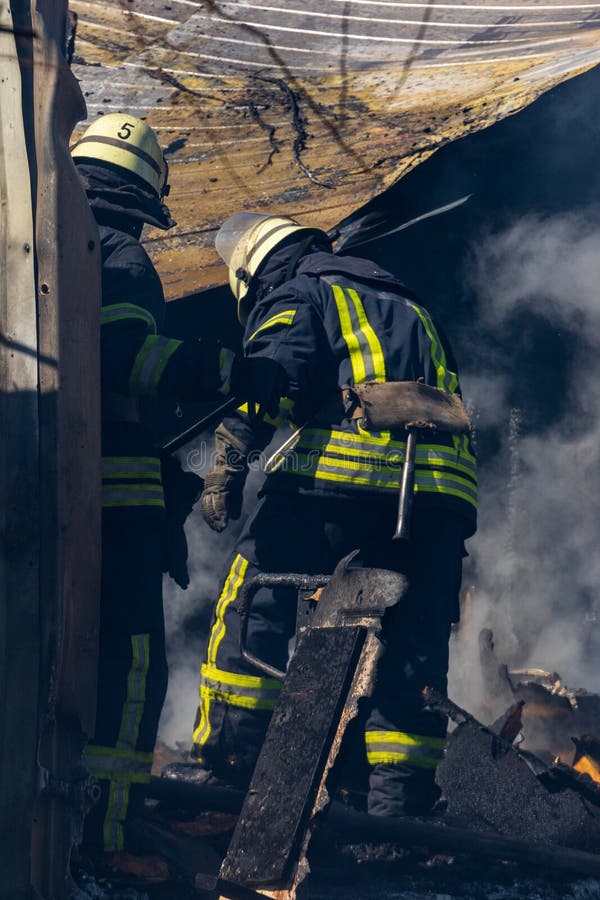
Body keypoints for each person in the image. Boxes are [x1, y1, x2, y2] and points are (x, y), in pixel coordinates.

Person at [189, 212, 477, 817]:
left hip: (339, 485)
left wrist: (230, 458)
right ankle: (398, 815)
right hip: (439, 507)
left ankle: (231, 769)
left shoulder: (302, 289)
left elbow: (272, 375)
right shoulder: (410, 303)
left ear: (255, 269)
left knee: (254, 602)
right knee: (410, 651)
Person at [71, 120, 284, 858]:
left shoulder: (42, 242)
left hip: (50, 491)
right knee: (130, 666)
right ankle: (105, 830)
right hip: (111, 505)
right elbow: (125, 358)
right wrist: (229, 372)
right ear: (142, 191)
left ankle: (63, 817)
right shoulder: (119, 252)